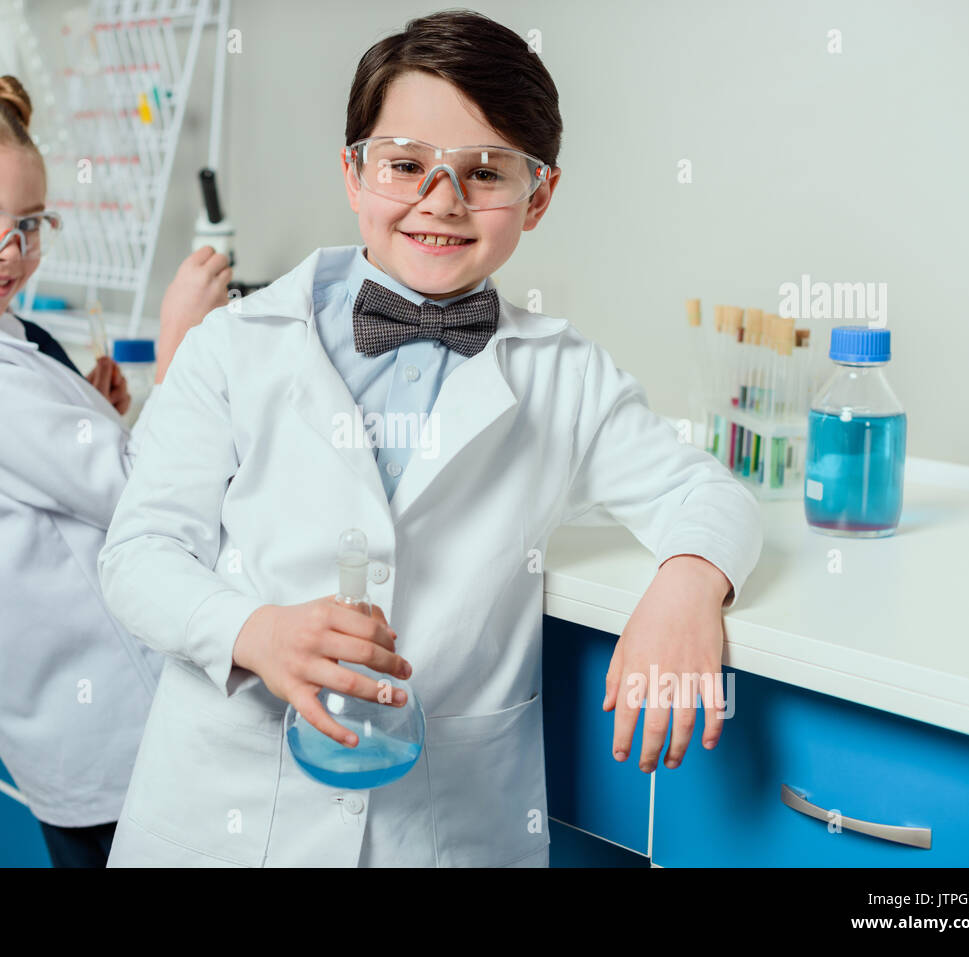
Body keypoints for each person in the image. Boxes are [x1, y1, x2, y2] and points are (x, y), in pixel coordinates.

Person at [97, 9, 763, 867]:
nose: (440, 201)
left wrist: (688, 583)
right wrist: (254, 630)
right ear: (353, 172)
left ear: (541, 194)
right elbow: (137, 554)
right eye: (405, 164)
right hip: (223, 816)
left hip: (442, 829)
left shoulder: (566, 375)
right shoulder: (236, 344)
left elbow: (709, 495)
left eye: (485, 172)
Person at [0, 67, 230, 866]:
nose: (9, 251)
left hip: (63, 725)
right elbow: (146, 492)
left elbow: (52, 459)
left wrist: (93, 412)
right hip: (106, 731)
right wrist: (182, 346)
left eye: (30, 223)